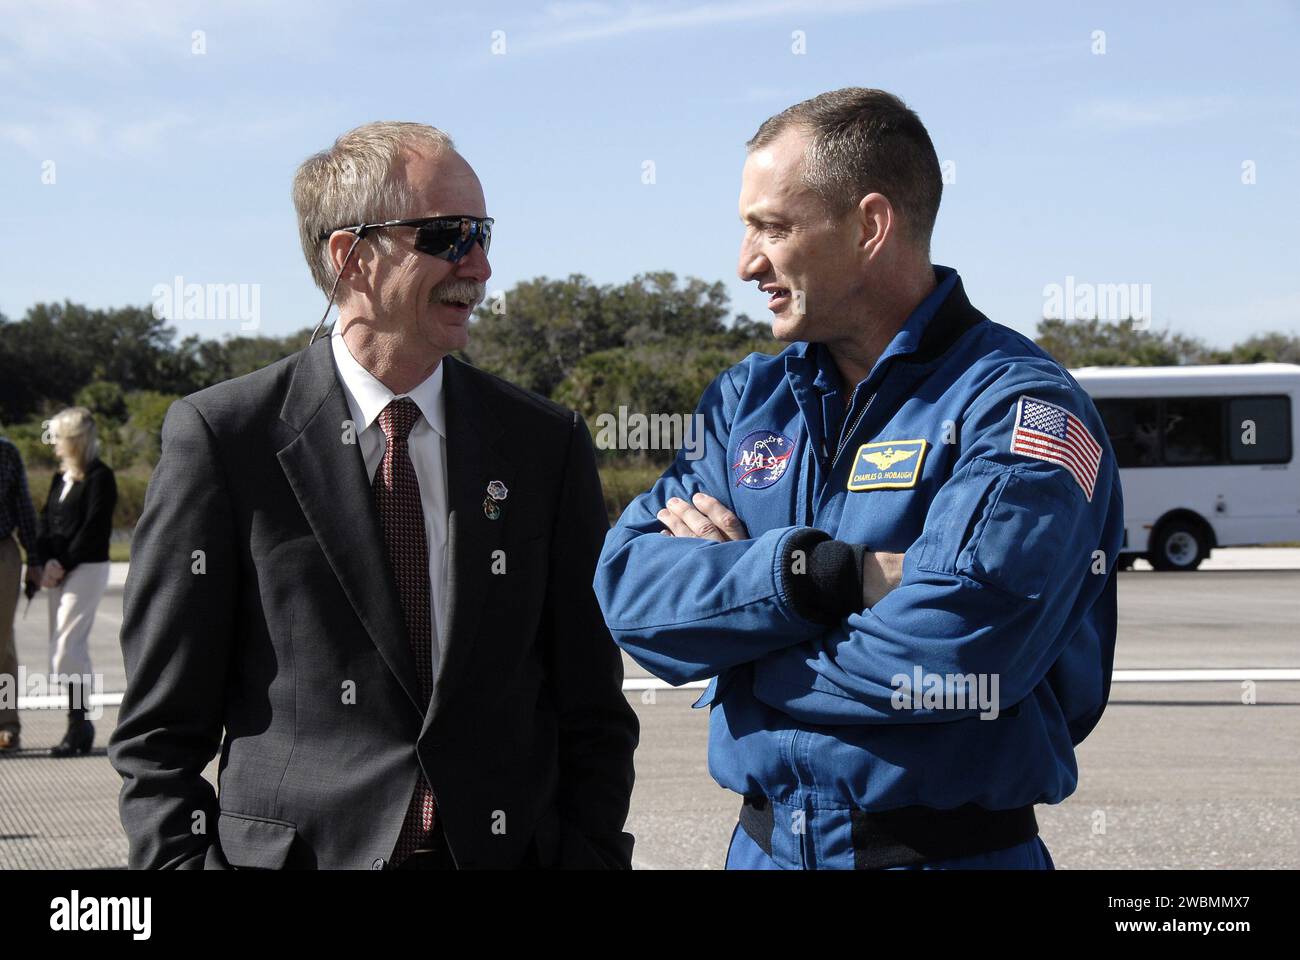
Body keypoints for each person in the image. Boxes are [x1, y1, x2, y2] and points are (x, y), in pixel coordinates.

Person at [595, 88, 1124, 870]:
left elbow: (962, 661)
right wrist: (827, 578)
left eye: (772, 227)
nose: (746, 263)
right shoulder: (748, 400)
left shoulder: (1019, 405)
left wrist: (742, 654)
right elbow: (630, 592)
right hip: (762, 850)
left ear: (871, 226)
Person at [109, 121, 638, 870]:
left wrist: (586, 854)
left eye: (483, 232)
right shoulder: (224, 439)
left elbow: (592, 704)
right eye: (449, 236)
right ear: (350, 254)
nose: (481, 265)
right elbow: (160, 734)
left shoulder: (543, 443)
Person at [31, 407, 117, 757]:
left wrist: (62, 563)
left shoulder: (100, 477)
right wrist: (44, 559)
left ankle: (79, 723)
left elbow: (94, 528)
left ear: (74, 439)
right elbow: (45, 522)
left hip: (87, 568)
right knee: (66, 649)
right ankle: (78, 725)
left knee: (68, 647)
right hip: (60, 570)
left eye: (58, 437)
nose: (54, 444)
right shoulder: (60, 477)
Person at [0, 435, 43, 753]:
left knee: (2, 645)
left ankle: (6, 725)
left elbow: (24, 509)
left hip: (2, 552)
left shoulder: (7, 452)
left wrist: (35, 560)